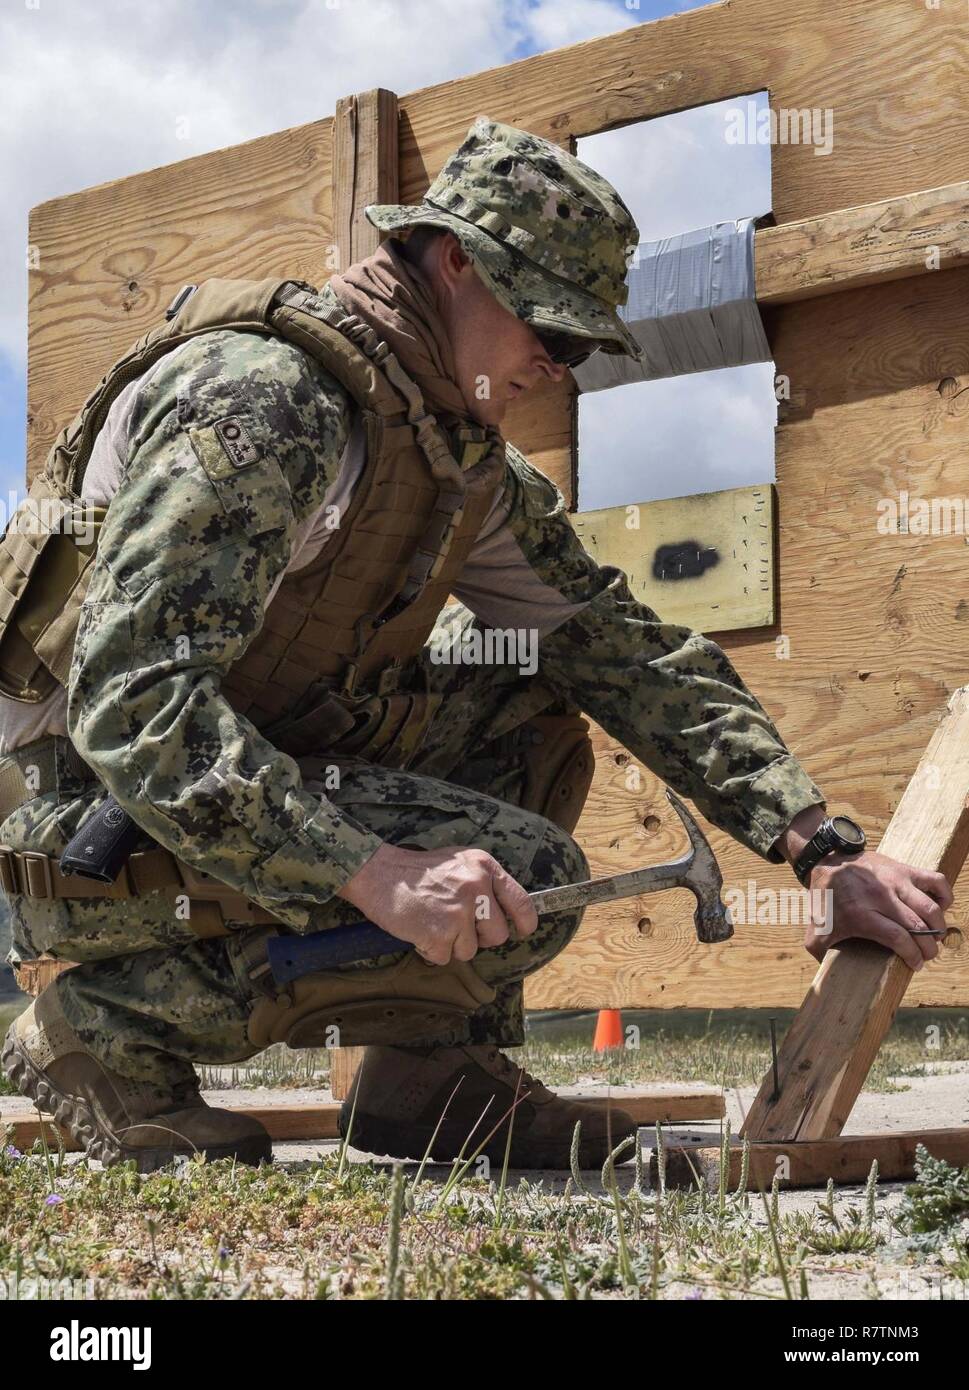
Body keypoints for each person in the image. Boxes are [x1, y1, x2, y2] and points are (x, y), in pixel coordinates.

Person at [0, 116, 949, 1173]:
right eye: (551, 327)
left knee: (528, 712)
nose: (558, 364)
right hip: (76, 827)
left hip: (185, 793)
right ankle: (106, 1033)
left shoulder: (461, 464)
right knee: (528, 873)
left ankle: (429, 1077)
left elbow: (624, 654)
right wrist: (374, 872)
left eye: (582, 345)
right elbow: (135, 704)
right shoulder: (268, 404)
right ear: (452, 260)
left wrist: (817, 844)